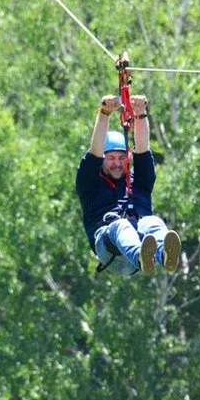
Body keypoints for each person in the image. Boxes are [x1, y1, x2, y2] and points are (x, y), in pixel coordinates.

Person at [75, 93, 180, 276]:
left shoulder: (138, 180)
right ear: (102, 160)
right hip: (110, 251)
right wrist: (105, 113)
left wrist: (140, 113)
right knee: (120, 225)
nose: (117, 163)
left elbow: (143, 148)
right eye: (111, 158)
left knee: (153, 221)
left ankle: (163, 255)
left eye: (122, 158)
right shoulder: (90, 182)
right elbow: (95, 151)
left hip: (140, 238)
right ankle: (140, 255)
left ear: (128, 158)